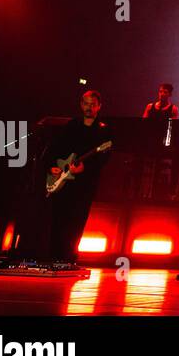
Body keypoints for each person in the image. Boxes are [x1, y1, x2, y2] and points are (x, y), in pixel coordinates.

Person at [44, 90, 113, 265]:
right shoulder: (71, 125)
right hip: (64, 179)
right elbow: (55, 148)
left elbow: (103, 158)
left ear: (99, 106)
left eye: (93, 104)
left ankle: (68, 256)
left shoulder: (103, 131)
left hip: (85, 182)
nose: (89, 107)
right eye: (86, 104)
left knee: (77, 218)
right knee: (59, 216)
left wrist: (85, 168)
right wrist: (53, 166)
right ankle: (53, 254)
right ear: (81, 105)